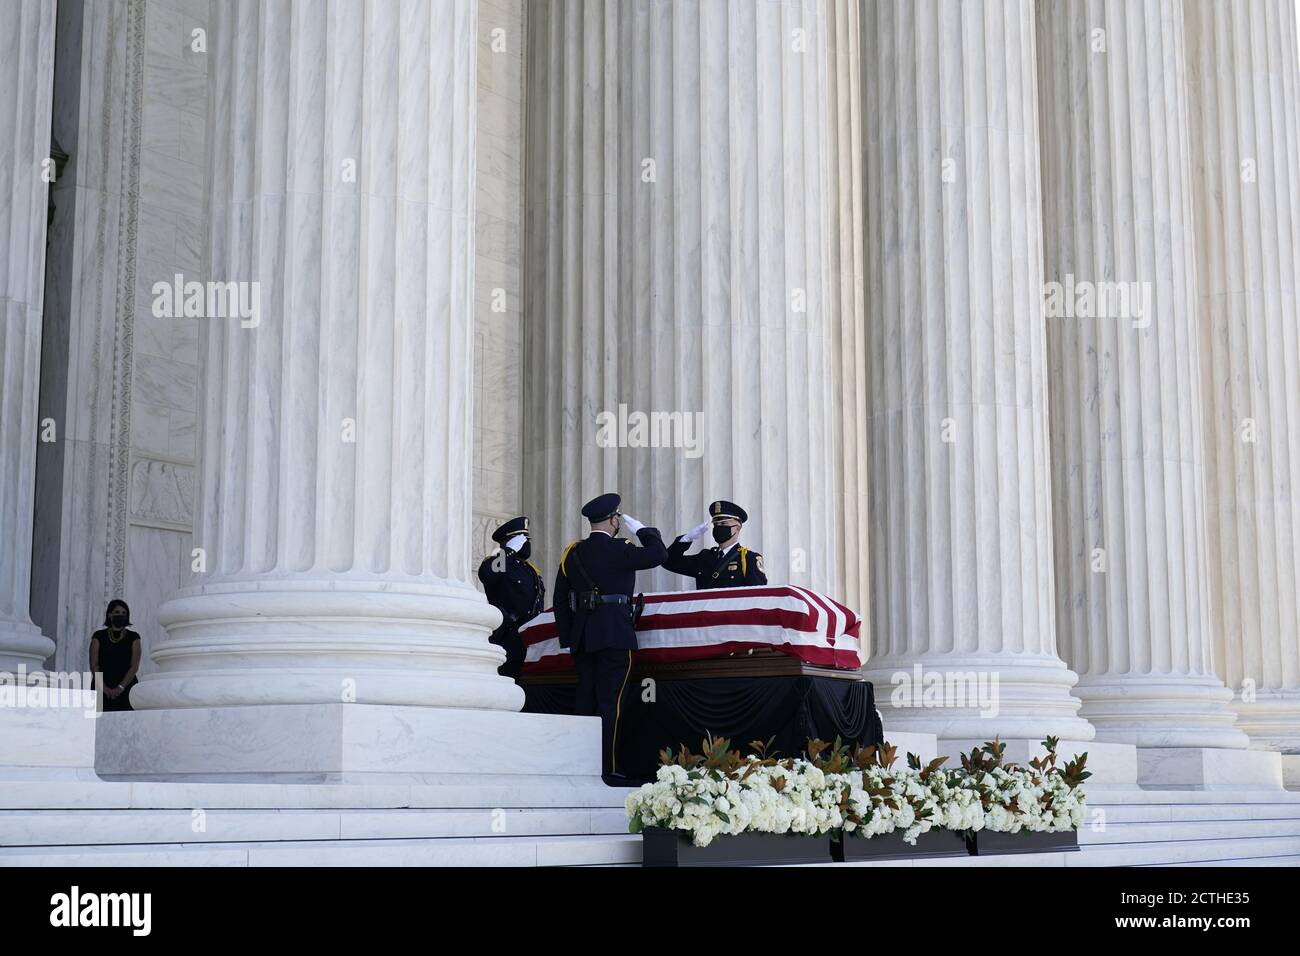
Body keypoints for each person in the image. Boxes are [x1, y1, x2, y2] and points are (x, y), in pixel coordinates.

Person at [553, 492, 667, 781]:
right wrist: (644, 531)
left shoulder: (573, 553)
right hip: (614, 635)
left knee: (585, 702)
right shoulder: (622, 549)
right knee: (610, 703)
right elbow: (659, 554)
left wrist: (569, 638)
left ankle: (580, 766)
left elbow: (560, 599)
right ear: (614, 520)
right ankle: (607, 768)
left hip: (583, 638)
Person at [477, 515, 545, 681]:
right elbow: (487, 573)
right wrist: (508, 551)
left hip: (529, 636)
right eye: (522, 539)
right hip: (508, 635)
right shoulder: (499, 562)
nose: (526, 543)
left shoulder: (530, 569)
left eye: (527, 539)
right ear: (510, 542)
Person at [663, 499, 767, 589]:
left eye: (723, 523)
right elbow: (668, 562)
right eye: (716, 524)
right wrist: (686, 539)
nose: (718, 527)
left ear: (738, 527)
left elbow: (758, 597)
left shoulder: (749, 559)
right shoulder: (704, 558)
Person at [89, 599, 142, 712]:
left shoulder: (134, 637)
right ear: (110, 615)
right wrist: (105, 689)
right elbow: (94, 665)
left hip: (127, 686)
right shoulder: (98, 636)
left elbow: (134, 666)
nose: (120, 615)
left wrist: (120, 688)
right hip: (101, 685)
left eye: (124, 613)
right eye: (117, 612)